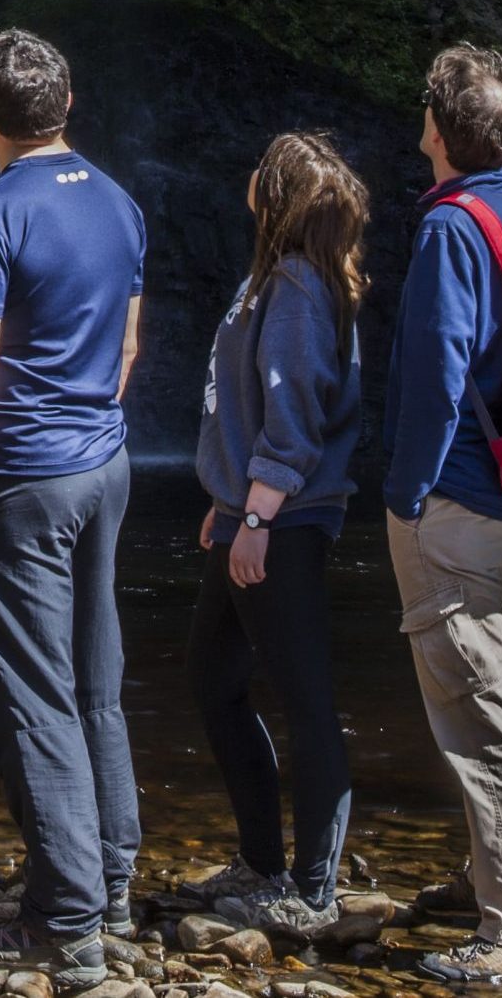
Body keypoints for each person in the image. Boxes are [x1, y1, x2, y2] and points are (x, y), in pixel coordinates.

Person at [0, 28, 146, 986]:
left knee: (30, 701)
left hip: (19, 480)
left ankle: (67, 925)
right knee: (94, 685)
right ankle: (108, 883)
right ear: (68, 106)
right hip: (104, 468)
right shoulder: (119, 201)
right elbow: (129, 349)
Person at [384, 44, 502, 984]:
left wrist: (405, 493)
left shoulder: (453, 228)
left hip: (451, 500)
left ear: (442, 130)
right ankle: (488, 875)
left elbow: (438, 373)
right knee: (489, 679)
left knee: (477, 707)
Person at [184, 132, 367, 939]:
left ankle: (316, 892)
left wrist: (255, 515)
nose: (249, 175)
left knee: (305, 700)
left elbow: (292, 420)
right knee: (212, 680)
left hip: (282, 521)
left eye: (263, 168)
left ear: (282, 194)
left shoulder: (294, 284)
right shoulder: (278, 274)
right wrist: (227, 502)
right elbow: (249, 405)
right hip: (247, 513)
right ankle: (262, 862)